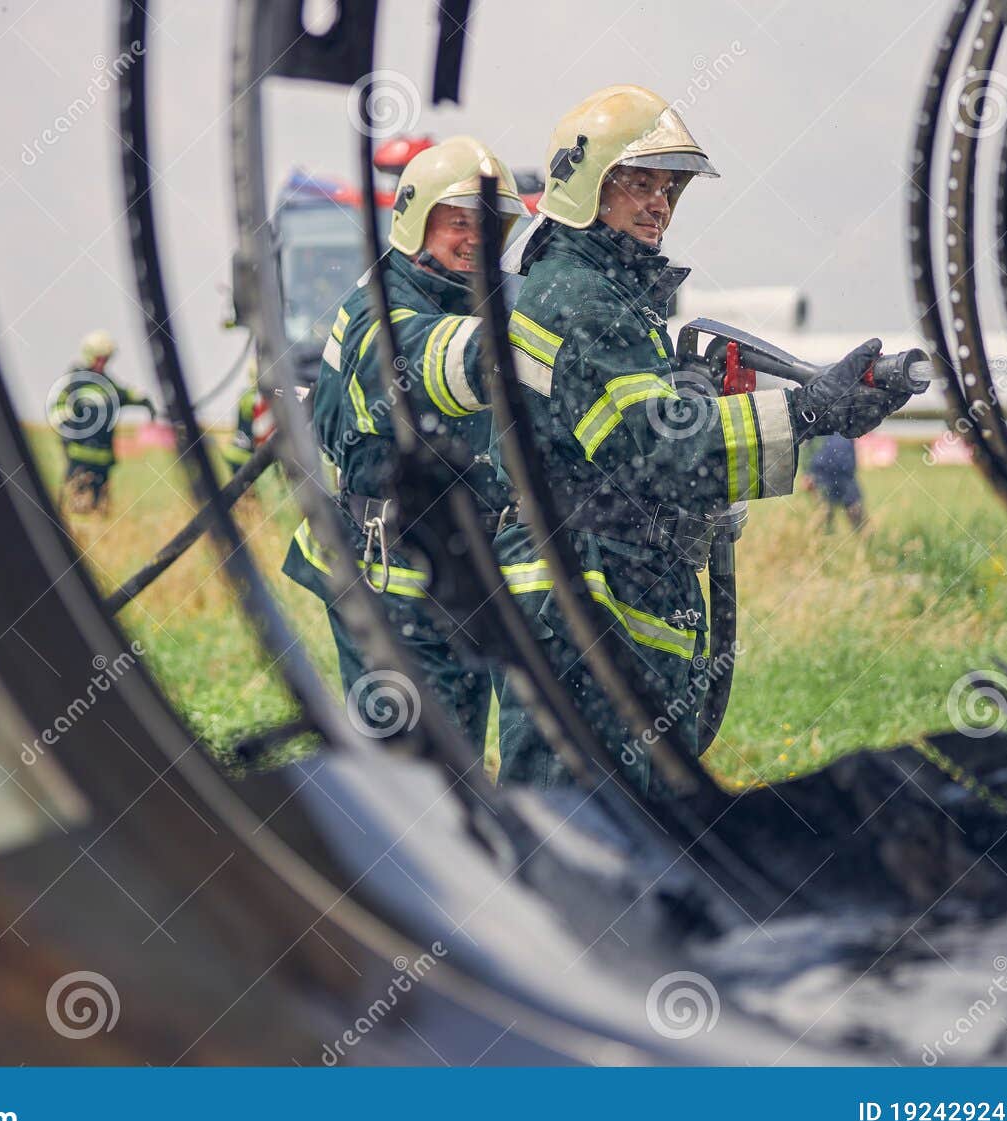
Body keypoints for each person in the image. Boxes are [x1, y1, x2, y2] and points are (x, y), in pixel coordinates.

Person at [492, 85, 915, 794]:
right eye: (639, 182)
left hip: (610, 604)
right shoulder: (583, 300)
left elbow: (634, 433)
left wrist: (700, 392)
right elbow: (664, 453)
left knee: (623, 843)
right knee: (586, 842)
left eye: (668, 188)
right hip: (588, 612)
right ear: (584, 186)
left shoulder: (598, 290)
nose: (659, 203)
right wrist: (807, 413)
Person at [282, 137, 528, 748]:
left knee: (459, 751)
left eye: (492, 225)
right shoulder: (378, 312)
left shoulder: (479, 298)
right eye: (460, 222)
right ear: (416, 222)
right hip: (387, 583)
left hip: (456, 573)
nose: (478, 238)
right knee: (419, 767)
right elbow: (430, 361)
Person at [51, 330, 153, 514]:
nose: (102, 363)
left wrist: (146, 402)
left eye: (105, 359)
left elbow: (127, 394)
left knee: (99, 509)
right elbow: (59, 410)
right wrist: (67, 429)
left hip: (103, 458)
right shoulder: (75, 381)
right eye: (99, 358)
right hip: (78, 456)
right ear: (89, 356)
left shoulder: (108, 384)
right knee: (74, 507)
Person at [805, 432, 865, 530]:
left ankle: (865, 541)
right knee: (824, 513)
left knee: (855, 510)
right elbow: (807, 449)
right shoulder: (814, 419)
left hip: (846, 474)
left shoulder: (847, 419)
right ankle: (824, 541)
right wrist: (807, 473)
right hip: (822, 474)